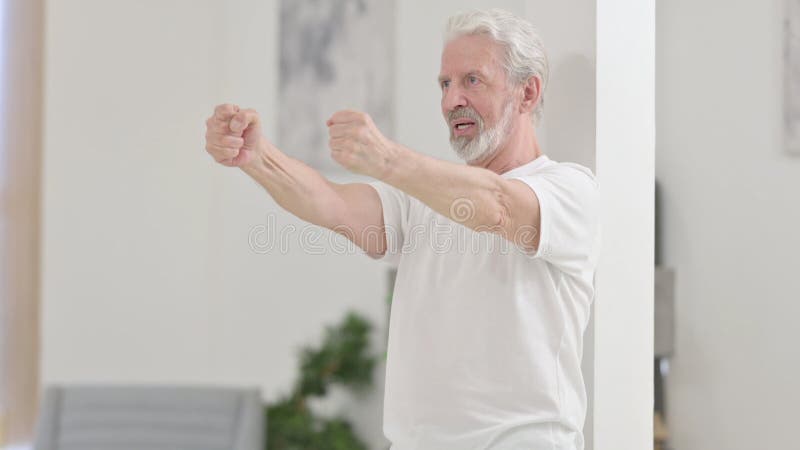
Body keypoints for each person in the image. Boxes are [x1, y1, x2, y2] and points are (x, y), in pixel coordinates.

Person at [204, 8, 599, 450]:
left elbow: (498, 207)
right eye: (445, 84)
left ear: (528, 92)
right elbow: (331, 204)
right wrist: (258, 157)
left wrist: (388, 160)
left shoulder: (569, 190)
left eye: (472, 80)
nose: (451, 101)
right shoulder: (423, 198)